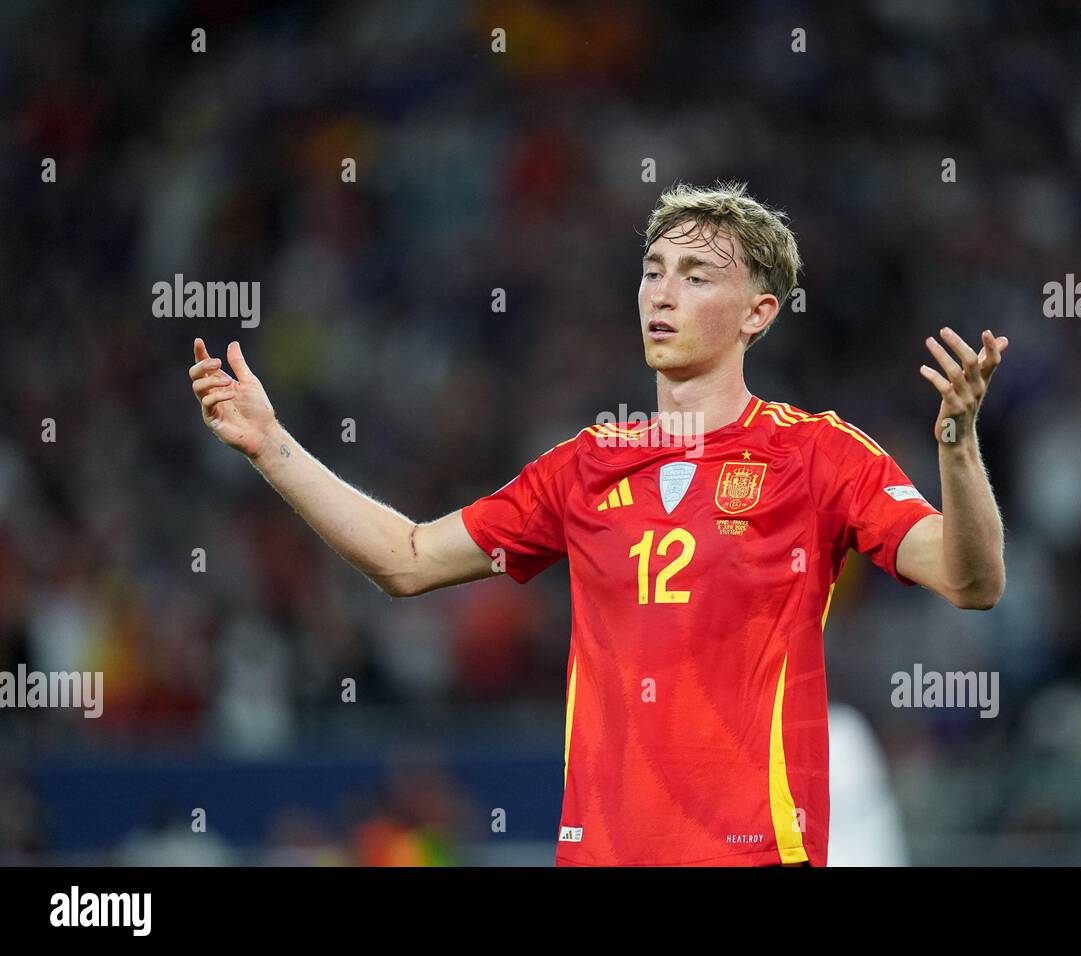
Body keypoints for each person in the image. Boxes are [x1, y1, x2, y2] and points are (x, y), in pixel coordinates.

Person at [188, 180, 1008, 866]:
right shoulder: (583, 468)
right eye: (653, 270)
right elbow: (405, 560)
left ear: (758, 313)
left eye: (695, 275)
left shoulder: (818, 455)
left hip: (755, 856)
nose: (662, 292)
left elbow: (971, 580)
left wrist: (957, 445)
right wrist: (269, 445)